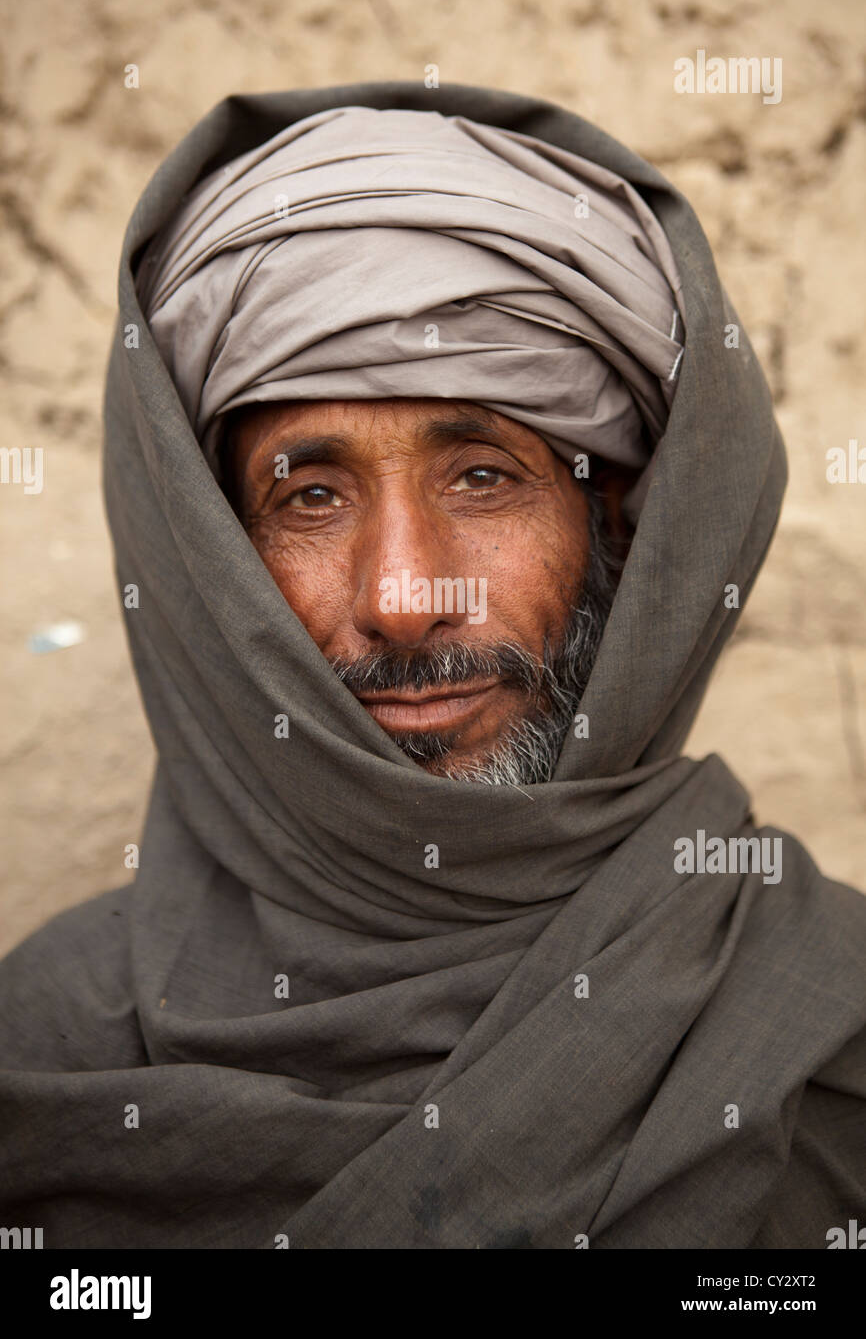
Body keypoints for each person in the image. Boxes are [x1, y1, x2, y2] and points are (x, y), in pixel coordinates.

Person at [0, 81, 863, 1250]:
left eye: (483, 476)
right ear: (213, 569)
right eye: (308, 495)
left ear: (613, 520)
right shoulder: (48, 1050)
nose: (405, 599)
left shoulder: (828, 1025)